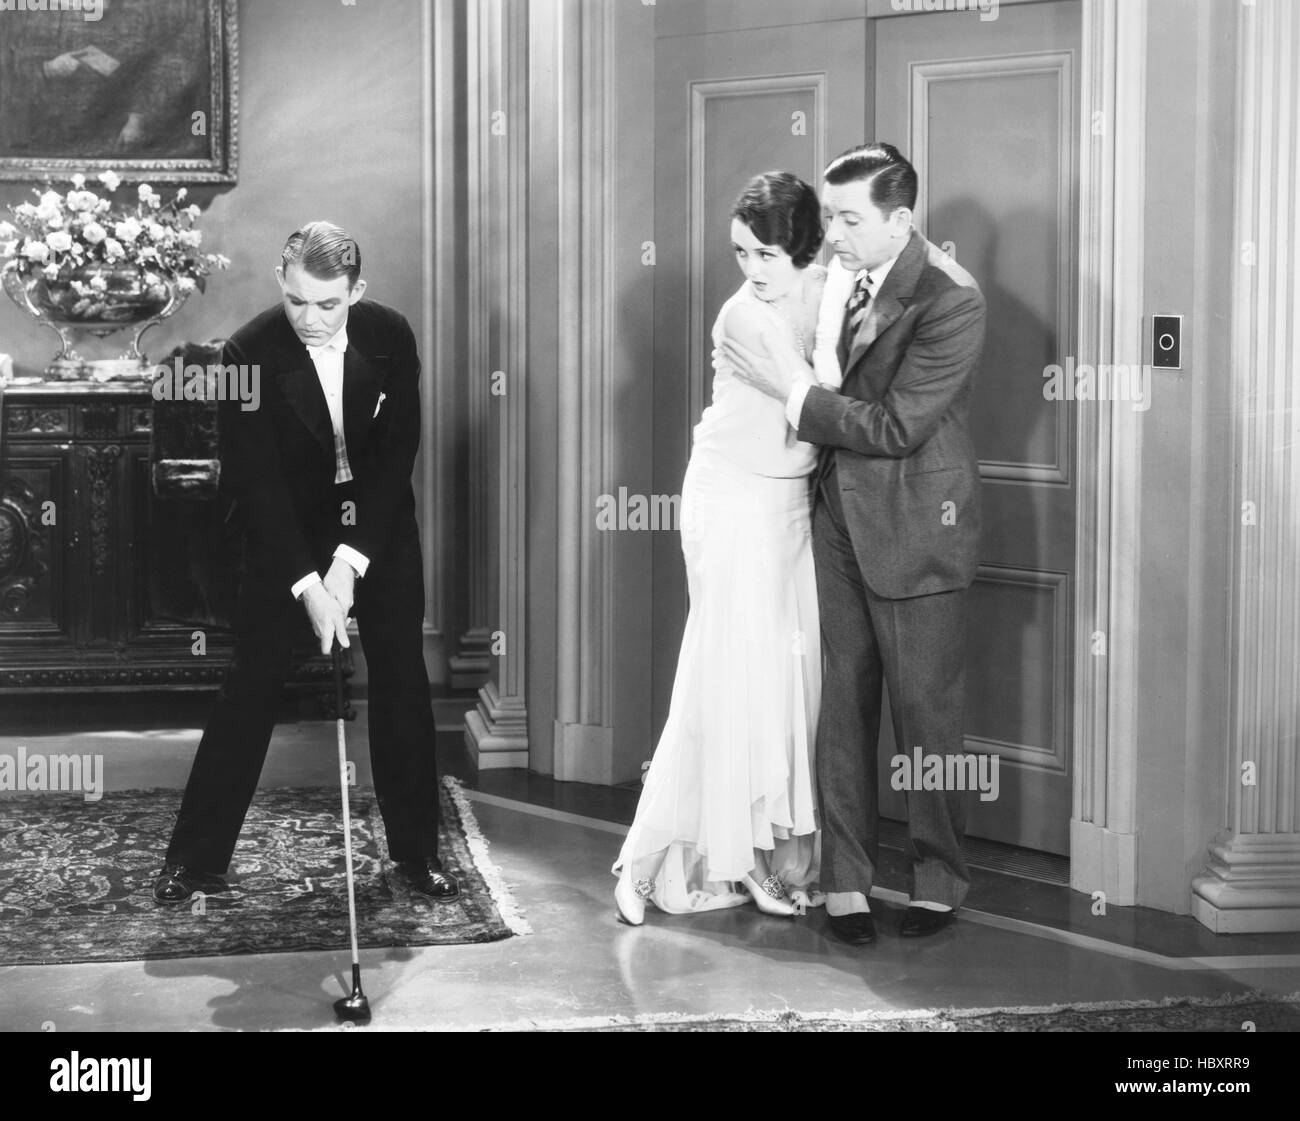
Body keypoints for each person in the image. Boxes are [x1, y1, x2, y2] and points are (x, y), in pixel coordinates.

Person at [721, 144, 986, 945]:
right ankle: (847, 880)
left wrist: (792, 395)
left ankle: (939, 878)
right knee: (843, 698)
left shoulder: (951, 298)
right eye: (828, 215)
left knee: (924, 710)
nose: (829, 232)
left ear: (900, 219)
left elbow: (897, 426)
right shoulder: (832, 273)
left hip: (916, 522)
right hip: (833, 512)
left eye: (847, 218)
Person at [152, 221, 457, 905]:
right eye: (296, 301)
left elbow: (392, 462)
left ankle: (417, 854)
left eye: (328, 304)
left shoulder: (390, 335)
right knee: (252, 681)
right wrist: (309, 585)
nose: (310, 319)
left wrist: (349, 566)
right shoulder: (247, 354)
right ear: (281, 285)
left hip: (374, 526)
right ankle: (194, 859)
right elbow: (256, 482)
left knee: (402, 676)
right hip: (284, 528)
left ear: (358, 291)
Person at [612, 171, 833, 925]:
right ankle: (671, 858)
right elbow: (819, 403)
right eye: (741, 252)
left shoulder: (825, 289)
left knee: (785, 683)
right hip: (732, 497)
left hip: (790, 506)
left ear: (803, 247)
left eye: (767, 254)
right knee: (729, 677)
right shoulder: (744, 317)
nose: (752, 270)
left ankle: (766, 855)